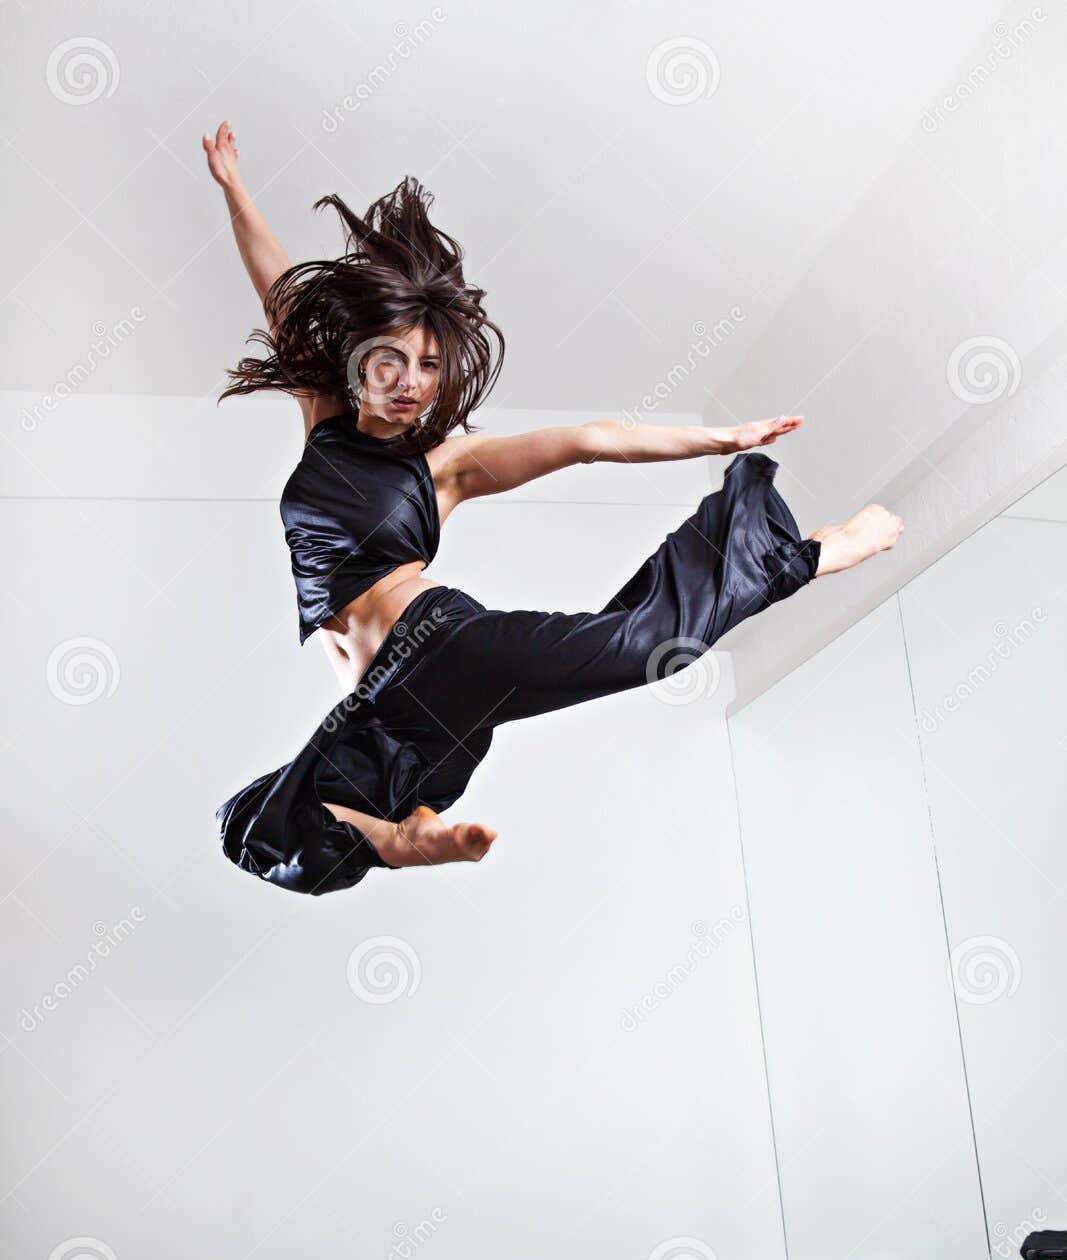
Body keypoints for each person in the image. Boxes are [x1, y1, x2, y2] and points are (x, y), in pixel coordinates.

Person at [203, 121, 903, 895]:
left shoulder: (444, 469)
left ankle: (809, 553)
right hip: (390, 716)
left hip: (441, 650)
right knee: (266, 830)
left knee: (643, 648)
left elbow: (587, 441)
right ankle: (405, 837)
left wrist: (717, 438)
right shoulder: (324, 420)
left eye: (429, 365)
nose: (411, 381)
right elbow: (281, 292)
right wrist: (234, 186)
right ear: (358, 359)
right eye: (393, 359)